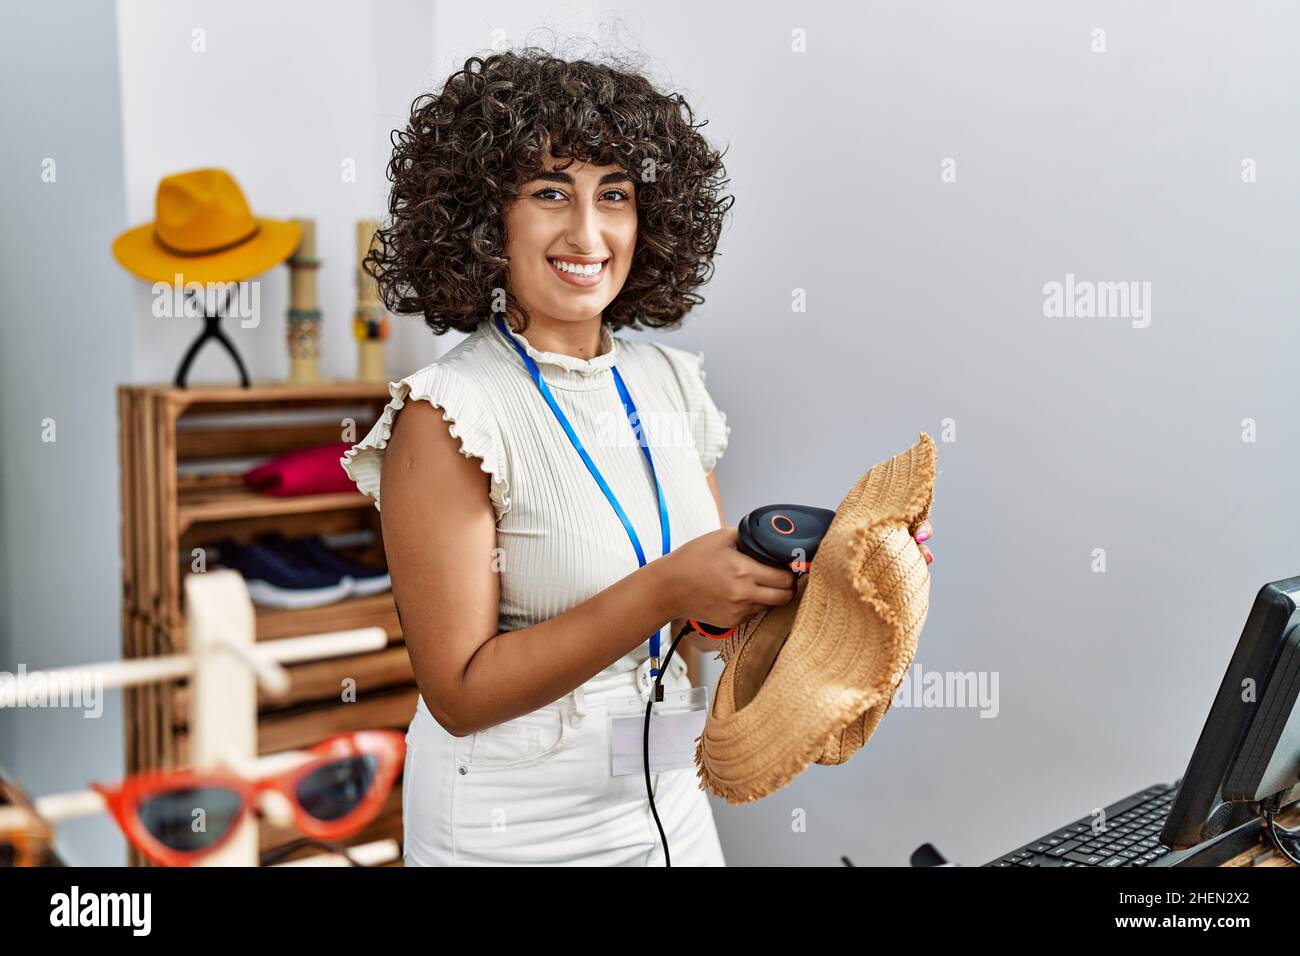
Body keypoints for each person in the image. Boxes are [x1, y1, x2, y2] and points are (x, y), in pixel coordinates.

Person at [342, 48, 935, 866]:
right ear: (483, 218)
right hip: (513, 828)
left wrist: (831, 576)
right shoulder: (449, 414)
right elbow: (459, 694)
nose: (588, 233)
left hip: (669, 804)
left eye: (613, 195)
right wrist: (667, 586)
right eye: (551, 193)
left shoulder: (668, 383)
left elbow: (705, 631)